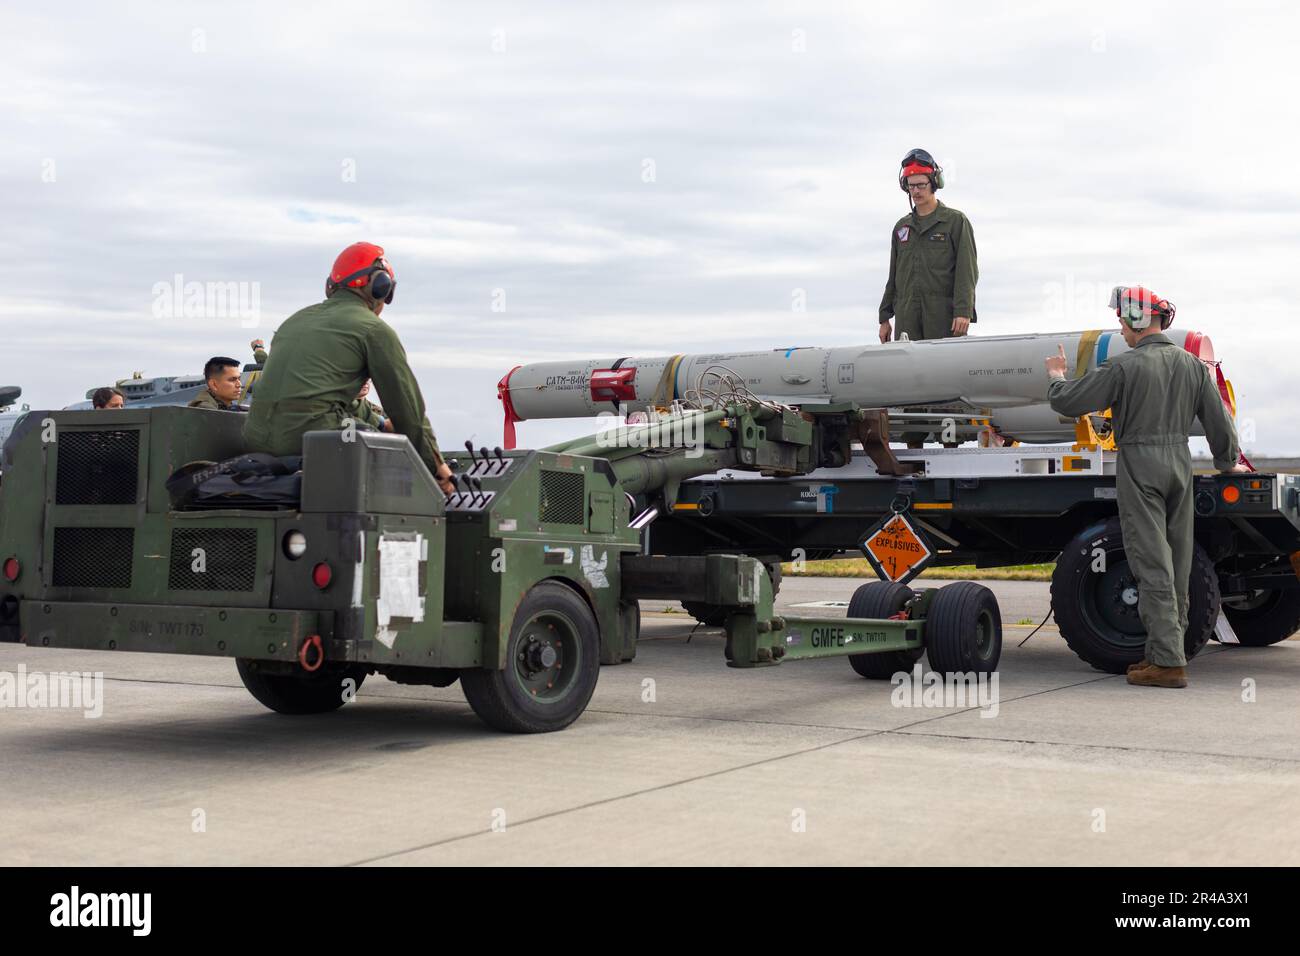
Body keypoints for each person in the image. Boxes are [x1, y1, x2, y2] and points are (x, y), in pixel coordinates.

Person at [1044, 286, 1247, 688]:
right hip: (1179, 463)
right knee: (1177, 560)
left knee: (1151, 561)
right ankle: (1162, 653)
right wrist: (1227, 463)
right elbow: (1219, 421)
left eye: (1122, 319)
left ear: (1137, 319)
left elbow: (1069, 402)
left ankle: (1168, 663)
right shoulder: (1192, 366)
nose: (1120, 328)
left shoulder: (1124, 367)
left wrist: (1056, 378)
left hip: (1141, 463)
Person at [242, 242, 453, 495]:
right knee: (387, 451)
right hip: (316, 441)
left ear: (330, 285)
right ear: (379, 288)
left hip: (257, 442)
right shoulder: (374, 330)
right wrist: (437, 467)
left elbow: (315, 393)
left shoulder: (294, 321)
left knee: (370, 429)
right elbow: (407, 411)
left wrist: (380, 422)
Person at [878, 147, 978, 345]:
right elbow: (894, 276)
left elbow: (967, 271)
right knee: (907, 373)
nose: (915, 191)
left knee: (945, 372)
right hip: (907, 318)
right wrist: (884, 317)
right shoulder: (902, 228)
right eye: (911, 185)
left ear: (934, 184)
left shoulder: (955, 222)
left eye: (921, 185)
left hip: (944, 317)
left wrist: (963, 311)